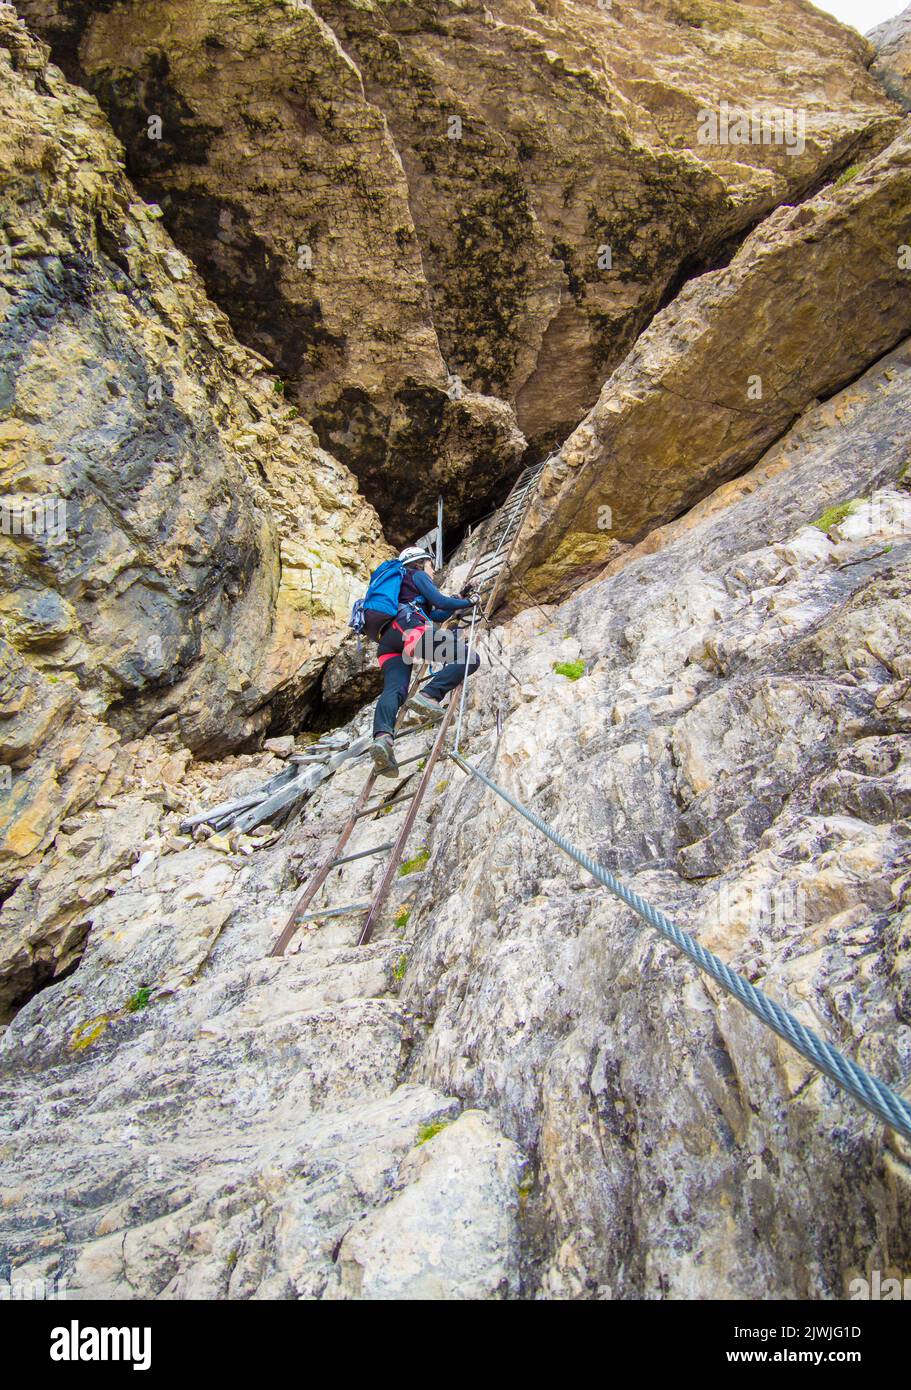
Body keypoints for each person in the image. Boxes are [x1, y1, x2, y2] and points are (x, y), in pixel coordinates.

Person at [370, 547, 481, 776]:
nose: (433, 570)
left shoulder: (405, 588)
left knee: (395, 689)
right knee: (469, 657)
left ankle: (382, 739)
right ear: (420, 563)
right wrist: (471, 601)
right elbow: (440, 600)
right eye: (431, 564)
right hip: (409, 630)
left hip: (388, 643)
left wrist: (459, 599)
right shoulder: (417, 575)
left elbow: (438, 614)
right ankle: (429, 695)